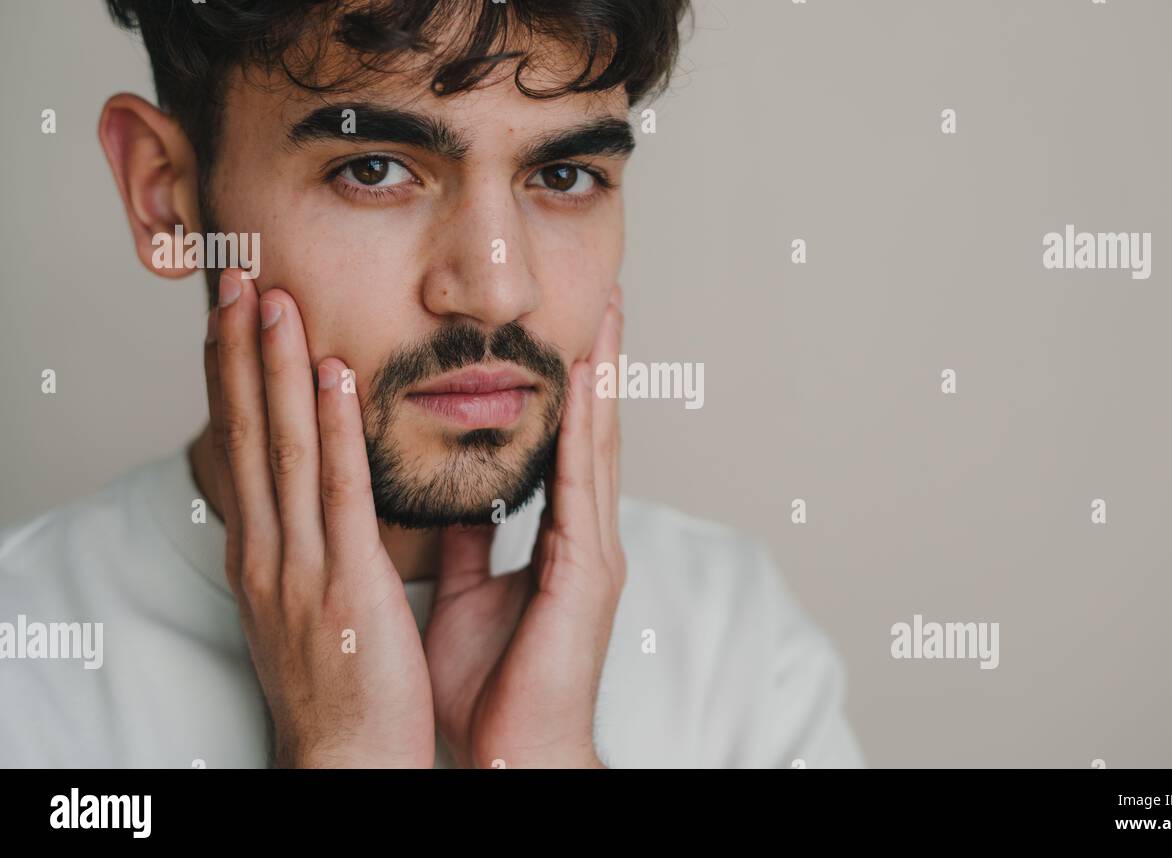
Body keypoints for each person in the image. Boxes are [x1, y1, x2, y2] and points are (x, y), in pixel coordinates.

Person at [0, 0, 864, 768]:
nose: (496, 289)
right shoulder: (22, 667)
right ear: (166, 197)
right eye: (374, 169)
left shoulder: (739, 645)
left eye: (563, 177)